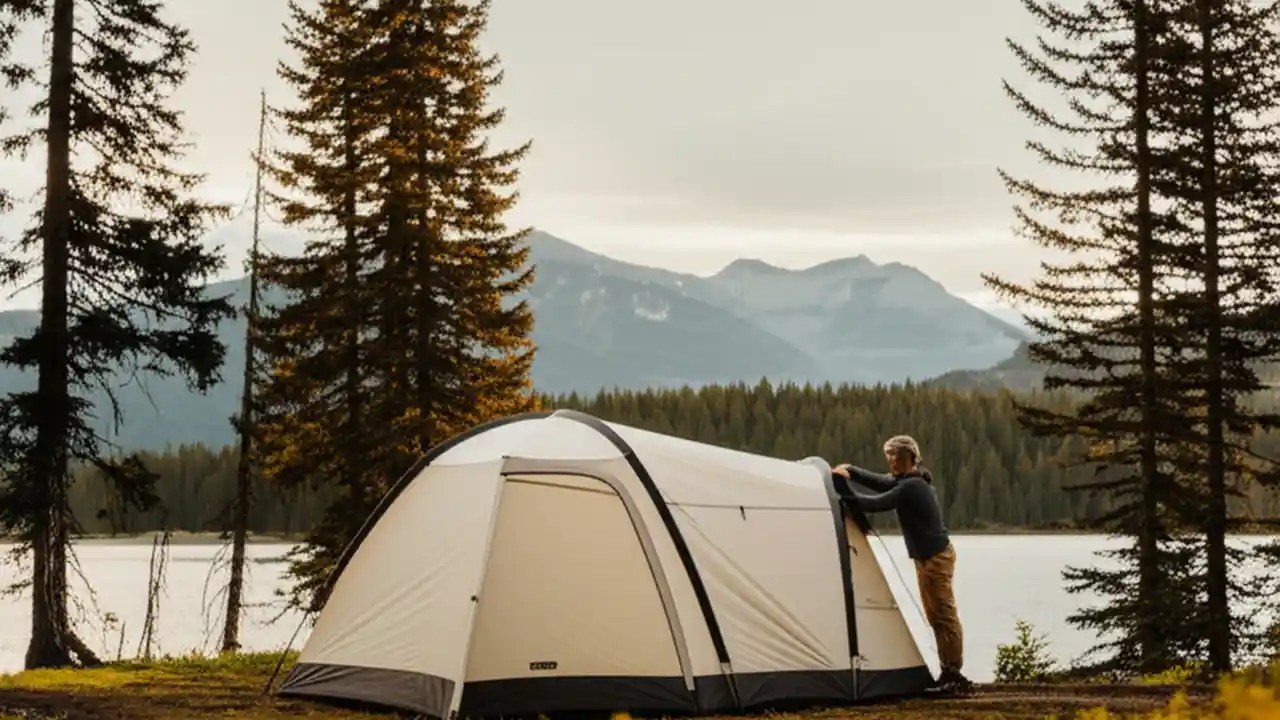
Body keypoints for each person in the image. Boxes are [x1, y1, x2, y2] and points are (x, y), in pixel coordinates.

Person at [832, 434, 972, 693]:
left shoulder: (912, 487)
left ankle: (953, 675)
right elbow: (881, 482)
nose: (892, 461)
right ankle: (948, 673)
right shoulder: (907, 481)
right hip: (926, 558)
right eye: (889, 456)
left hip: (936, 559)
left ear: (910, 458)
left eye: (896, 456)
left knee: (944, 616)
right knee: (935, 616)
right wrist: (850, 471)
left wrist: (842, 493)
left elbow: (876, 503)